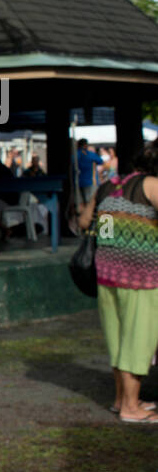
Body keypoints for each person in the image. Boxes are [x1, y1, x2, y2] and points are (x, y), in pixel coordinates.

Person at [77, 141, 158, 422]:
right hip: (141, 277)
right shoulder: (152, 185)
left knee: (118, 339)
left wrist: (117, 225)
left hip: (107, 274)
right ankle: (131, 408)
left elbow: (85, 221)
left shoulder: (109, 185)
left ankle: (121, 400)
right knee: (137, 342)